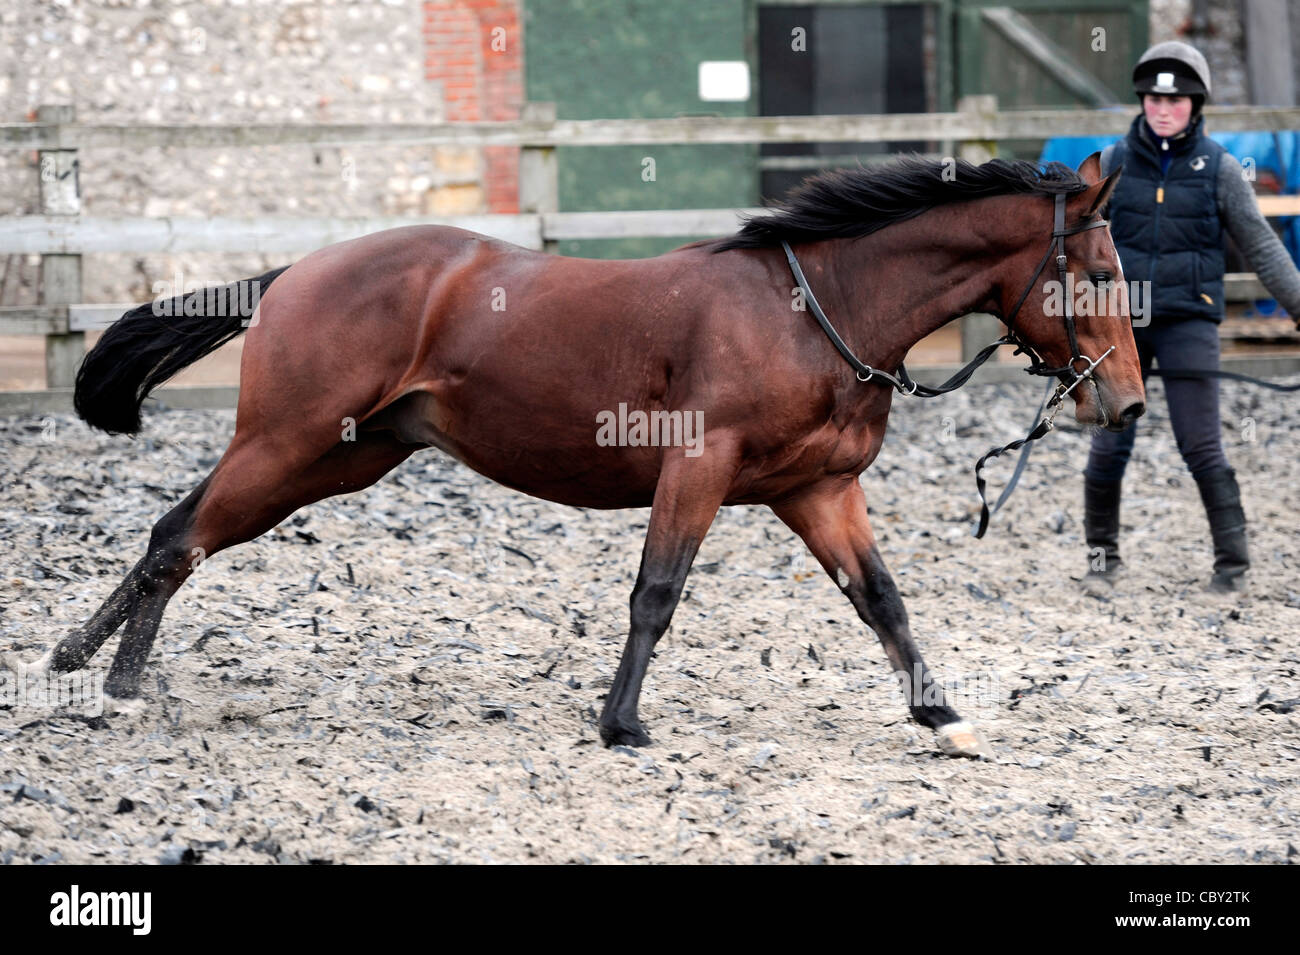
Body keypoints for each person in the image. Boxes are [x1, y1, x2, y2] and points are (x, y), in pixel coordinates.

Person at [1082, 41, 1300, 594]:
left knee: (1201, 444)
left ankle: (1232, 567)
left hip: (1188, 320)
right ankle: (1102, 562)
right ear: (1142, 101)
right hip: (1122, 322)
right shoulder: (1111, 163)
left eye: (1176, 100)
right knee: (1109, 443)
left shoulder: (1221, 169)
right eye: (1154, 97)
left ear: (1195, 105)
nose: (1163, 107)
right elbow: (1078, 250)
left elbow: (1262, 246)